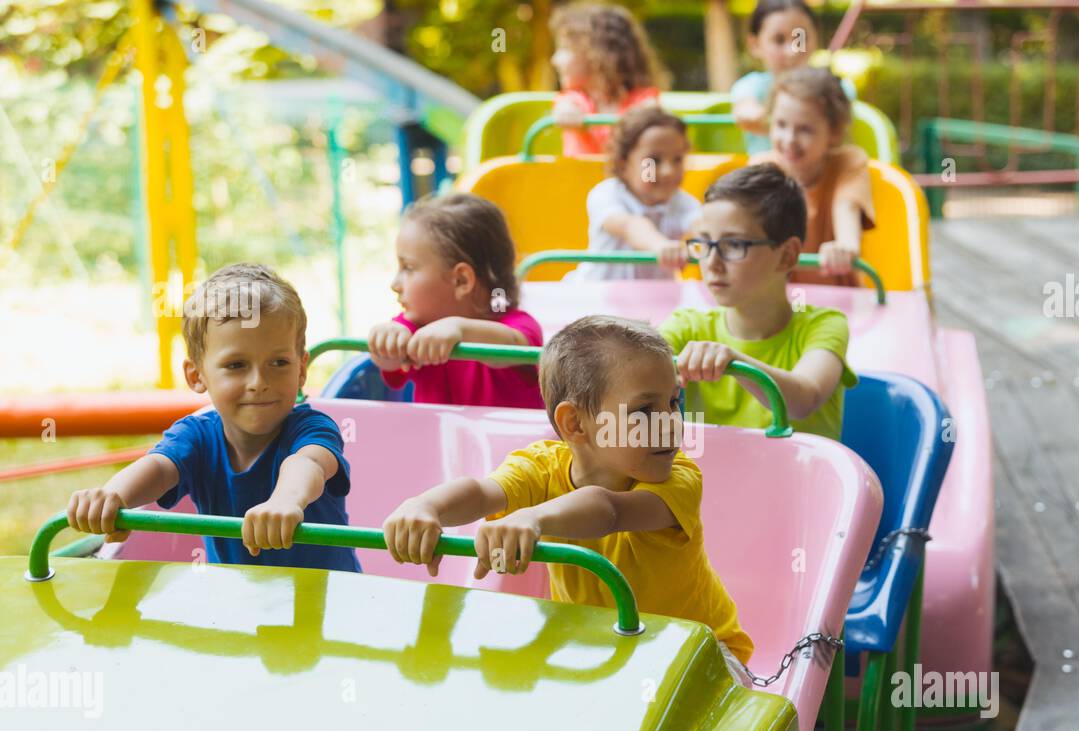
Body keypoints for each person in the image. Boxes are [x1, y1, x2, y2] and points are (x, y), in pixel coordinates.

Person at [381, 315, 755, 672]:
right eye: (644, 410)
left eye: (674, 402)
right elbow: (480, 492)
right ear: (574, 423)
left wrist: (533, 517)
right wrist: (424, 507)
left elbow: (608, 510)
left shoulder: (678, 477)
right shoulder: (542, 466)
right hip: (600, 651)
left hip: (701, 652)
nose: (671, 423)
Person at [66, 263, 360, 571]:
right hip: (242, 606)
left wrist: (286, 501)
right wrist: (113, 495)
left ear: (301, 369)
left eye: (278, 362)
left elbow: (308, 464)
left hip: (329, 606)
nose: (259, 381)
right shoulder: (197, 436)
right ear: (197, 375)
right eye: (236, 365)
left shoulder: (312, 428)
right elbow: (158, 467)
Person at [659, 163, 857, 440]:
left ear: (787, 255)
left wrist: (734, 361)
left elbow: (805, 398)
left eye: (734, 245)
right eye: (704, 244)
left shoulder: (824, 325)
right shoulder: (686, 325)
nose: (712, 263)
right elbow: (633, 377)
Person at [367, 193, 544, 409]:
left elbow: (510, 347)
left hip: (513, 443)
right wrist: (387, 339)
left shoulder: (520, 326)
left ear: (461, 280)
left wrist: (458, 328)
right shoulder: (413, 325)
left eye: (408, 268)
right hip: (440, 442)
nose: (395, 284)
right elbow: (388, 361)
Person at [751, 66, 876, 287]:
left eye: (805, 129)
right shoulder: (762, 169)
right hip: (778, 300)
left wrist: (845, 246)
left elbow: (846, 208)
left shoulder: (848, 163)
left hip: (838, 298)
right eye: (780, 124)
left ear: (834, 132)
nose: (789, 139)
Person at [573, 107, 698, 281]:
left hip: (654, 299)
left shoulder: (683, 202)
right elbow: (628, 225)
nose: (668, 171)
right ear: (623, 164)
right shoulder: (607, 193)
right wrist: (660, 245)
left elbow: (703, 224)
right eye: (653, 161)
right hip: (597, 294)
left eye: (677, 159)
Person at [731, 0, 856, 154]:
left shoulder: (839, 88)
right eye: (779, 40)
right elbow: (746, 113)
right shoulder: (750, 86)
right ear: (755, 44)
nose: (793, 51)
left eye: (800, 39)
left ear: (816, 38)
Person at [550, 2, 664, 157]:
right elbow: (565, 107)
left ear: (596, 55)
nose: (555, 60)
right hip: (580, 178)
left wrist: (648, 119)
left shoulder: (642, 100)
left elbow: (650, 120)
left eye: (565, 49)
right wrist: (566, 112)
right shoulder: (574, 99)